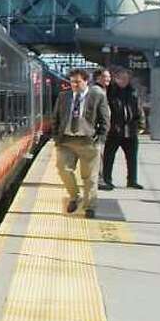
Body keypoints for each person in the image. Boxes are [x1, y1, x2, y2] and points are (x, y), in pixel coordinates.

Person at [52, 68, 110, 218]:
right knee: (62, 169)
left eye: (77, 82)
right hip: (66, 140)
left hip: (88, 141)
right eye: (72, 82)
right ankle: (74, 196)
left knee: (90, 176)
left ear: (86, 81)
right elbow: (56, 118)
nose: (74, 85)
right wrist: (56, 137)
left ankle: (90, 206)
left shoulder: (97, 96)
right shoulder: (64, 96)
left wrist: (100, 139)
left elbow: (105, 119)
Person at [100, 68, 145, 190]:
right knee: (109, 157)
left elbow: (139, 109)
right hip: (114, 130)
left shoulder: (133, 92)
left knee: (132, 157)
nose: (123, 81)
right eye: (120, 78)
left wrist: (141, 125)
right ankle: (107, 179)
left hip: (130, 130)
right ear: (115, 79)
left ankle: (132, 180)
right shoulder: (110, 92)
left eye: (126, 78)